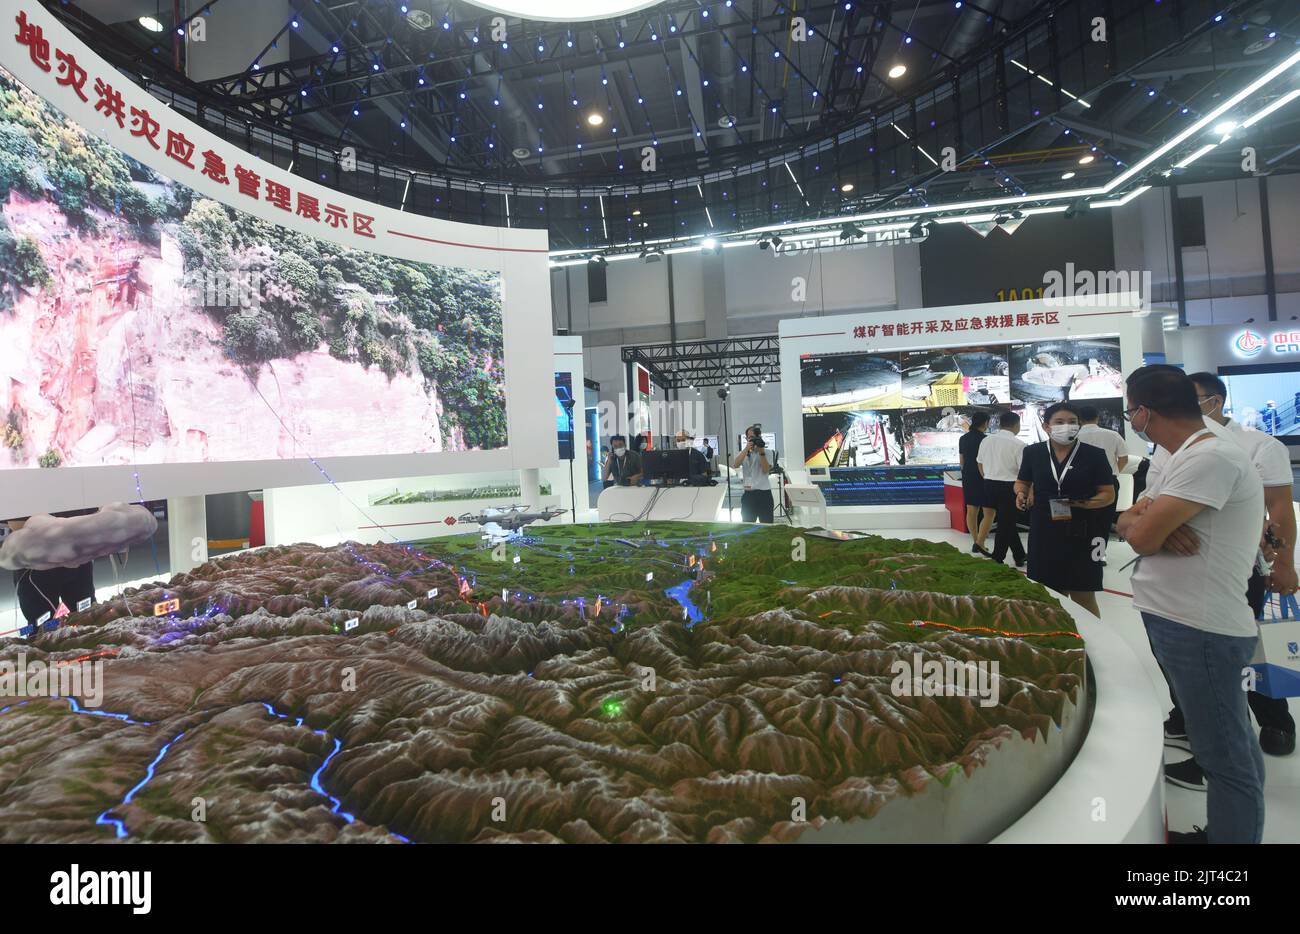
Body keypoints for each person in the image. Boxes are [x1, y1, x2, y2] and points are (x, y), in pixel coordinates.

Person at [1117, 365, 1265, 844]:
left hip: (1201, 627)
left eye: (1131, 411)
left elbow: (1140, 536)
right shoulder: (1181, 455)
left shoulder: (1210, 457)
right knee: (1228, 738)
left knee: (1223, 755)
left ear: (1145, 412)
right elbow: (1127, 522)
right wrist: (1146, 523)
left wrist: (1148, 526)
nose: (1132, 420)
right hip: (1182, 621)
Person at [1156, 373, 1297, 792]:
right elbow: (1152, 502)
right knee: (1184, 656)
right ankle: (1188, 718)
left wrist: (1284, 563)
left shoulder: (1259, 446)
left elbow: (1279, 508)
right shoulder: (1167, 448)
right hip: (1178, 568)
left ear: (1214, 402)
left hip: (1239, 567)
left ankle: (1273, 721)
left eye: (1189, 399)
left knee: (1239, 651)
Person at [1014, 402, 1116, 617]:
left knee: (1083, 593)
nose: (1066, 426)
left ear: (1079, 425)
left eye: (1072, 422)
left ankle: (1091, 636)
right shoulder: (1033, 452)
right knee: (1049, 593)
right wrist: (1021, 493)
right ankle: (1058, 635)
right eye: (1059, 422)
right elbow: (1022, 481)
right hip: (1044, 529)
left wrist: (1082, 504)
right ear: (1046, 427)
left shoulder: (1094, 455)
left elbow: (1108, 494)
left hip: (1084, 530)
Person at [976, 411, 1026, 567]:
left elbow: (979, 463)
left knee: (1007, 522)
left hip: (989, 484)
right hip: (1009, 486)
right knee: (1006, 523)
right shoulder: (1019, 445)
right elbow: (1023, 471)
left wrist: (987, 477)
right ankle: (997, 557)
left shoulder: (986, 440)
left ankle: (1019, 555)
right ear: (1017, 425)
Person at [1077, 405, 1128, 549]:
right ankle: (1099, 553)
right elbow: (1124, 458)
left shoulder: (1075, 436)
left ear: (1079, 419)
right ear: (1097, 418)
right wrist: (1112, 473)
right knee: (1104, 520)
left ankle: (1081, 550)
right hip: (1108, 483)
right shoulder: (1113, 435)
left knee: (1081, 518)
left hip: (1079, 483)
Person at [958, 412, 994, 555]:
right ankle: (980, 543)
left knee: (971, 510)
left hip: (968, 476)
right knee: (989, 512)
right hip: (985, 476)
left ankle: (975, 542)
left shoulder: (963, 438)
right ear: (985, 423)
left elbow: (962, 461)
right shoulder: (987, 440)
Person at [733, 425, 774, 523]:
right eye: (750, 437)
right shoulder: (743, 453)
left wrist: (761, 452)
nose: (753, 440)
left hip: (764, 494)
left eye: (755, 437)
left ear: (760, 437)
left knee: (767, 525)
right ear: (746, 439)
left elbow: (765, 470)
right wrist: (746, 449)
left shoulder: (768, 452)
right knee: (747, 524)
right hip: (748, 495)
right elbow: (736, 464)